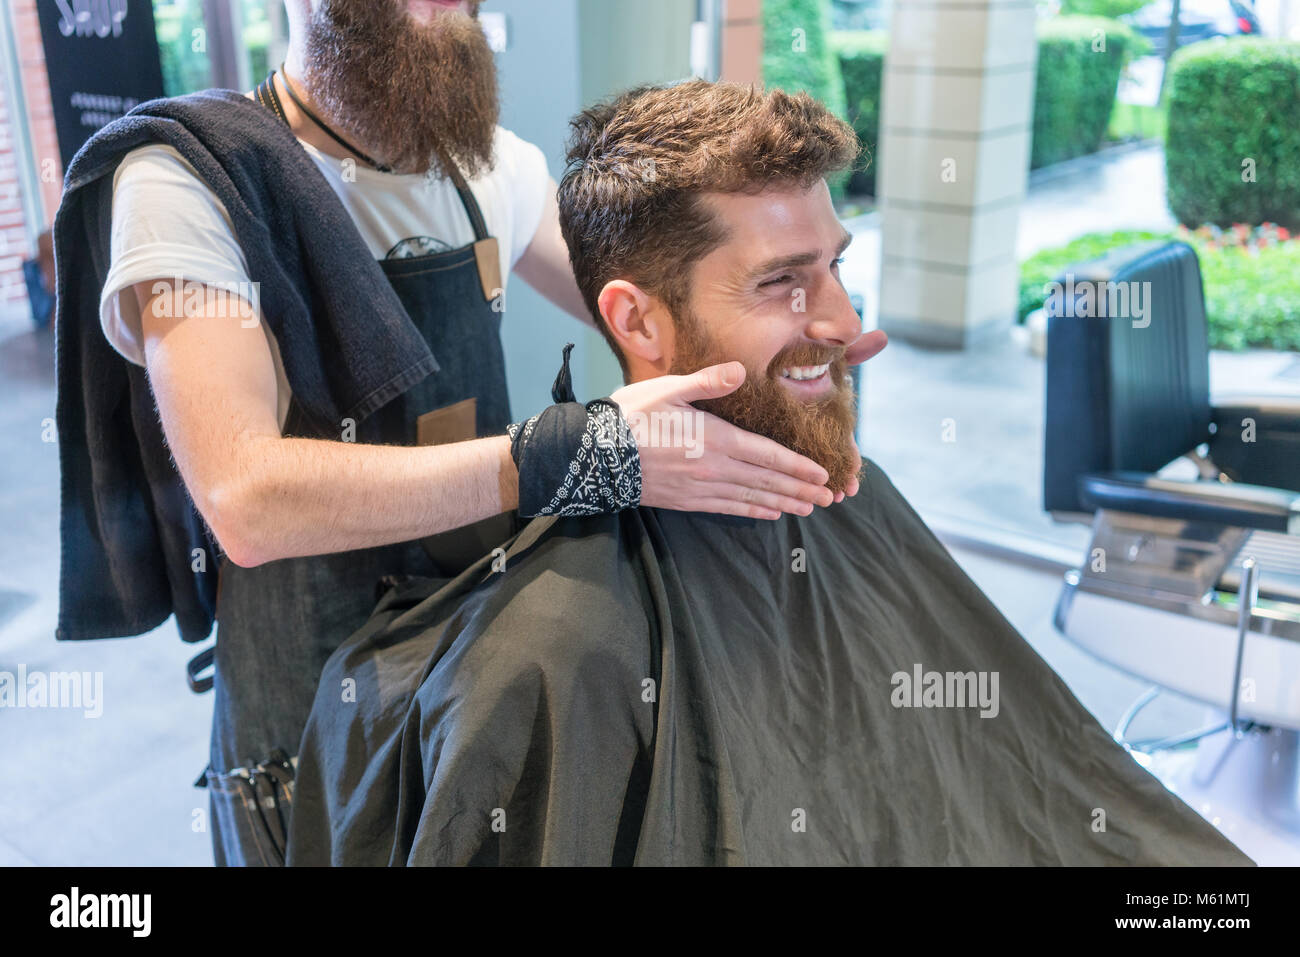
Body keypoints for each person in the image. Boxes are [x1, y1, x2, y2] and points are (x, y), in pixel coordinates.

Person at [285, 80, 1253, 866]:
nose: (839, 320)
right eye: (783, 282)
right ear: (635, 322)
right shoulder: (550, 655)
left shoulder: (839, 505)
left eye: (834, 265)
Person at [52, 0, 885, 867]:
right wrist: (575, 456)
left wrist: (797, 344)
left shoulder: (488, 166)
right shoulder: (190, 181)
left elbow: (660, 318)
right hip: (307, 702)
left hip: (472, 657)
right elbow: (246, 499)